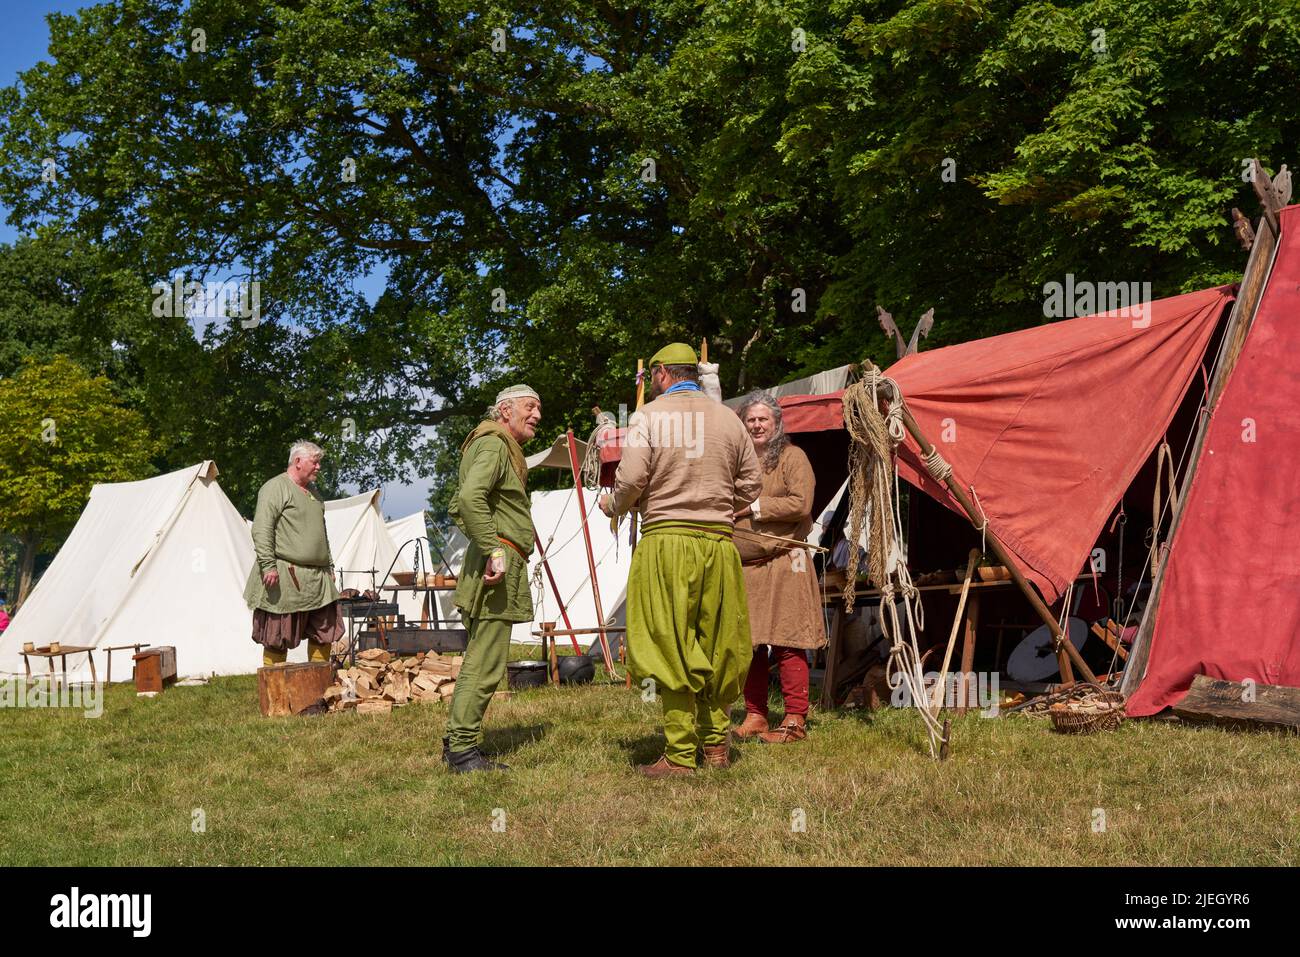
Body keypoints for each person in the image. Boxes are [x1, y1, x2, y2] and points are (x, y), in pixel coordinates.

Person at [600, 343, 762, 777]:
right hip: (719, 544)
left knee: (666, 642)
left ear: (661, 375)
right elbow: (752, 483)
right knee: (718, 643)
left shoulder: (648, 417)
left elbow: (632, 479)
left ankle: (678, 754)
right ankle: (715, 746)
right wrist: (718, 504)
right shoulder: (728, 418)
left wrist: (613, 505)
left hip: (666, 543)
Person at [444, 384, 542, 774]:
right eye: (530, 407)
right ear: (505, 410)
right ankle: (463, 752)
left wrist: (487, 544)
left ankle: (457, 742)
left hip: (493, 559)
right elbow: (468, 501)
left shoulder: (493, 444)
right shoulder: (494, 444)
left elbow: (458, 505)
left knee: (481, 659)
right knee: (485, 663)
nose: (537, 415)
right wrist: (494, 547)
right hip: (497, 564)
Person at [732, 392, 825, 743]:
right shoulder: (736, 464)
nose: (756, 425)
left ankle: (794, 721)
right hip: (748, 568)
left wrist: (753, 507)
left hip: (787, 562)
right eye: (750, 420)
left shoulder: (792, 457)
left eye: (762, 419)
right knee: (750, 645)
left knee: (788, 641)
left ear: (776, 423)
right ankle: (755, 715)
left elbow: (801, 503)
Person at [243, 441, 343, 666]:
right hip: (285, 574)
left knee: (324, 630)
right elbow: (262, 528)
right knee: (277, 635)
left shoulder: (314, 493)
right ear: (298, 462)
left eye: (319, 463)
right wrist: (268, 565)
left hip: (318, 578)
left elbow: (321, 532)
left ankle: (318, 688)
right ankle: (275, 691)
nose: (318, 467)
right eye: (314, 462)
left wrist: (329, 566)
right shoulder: (275, 488)